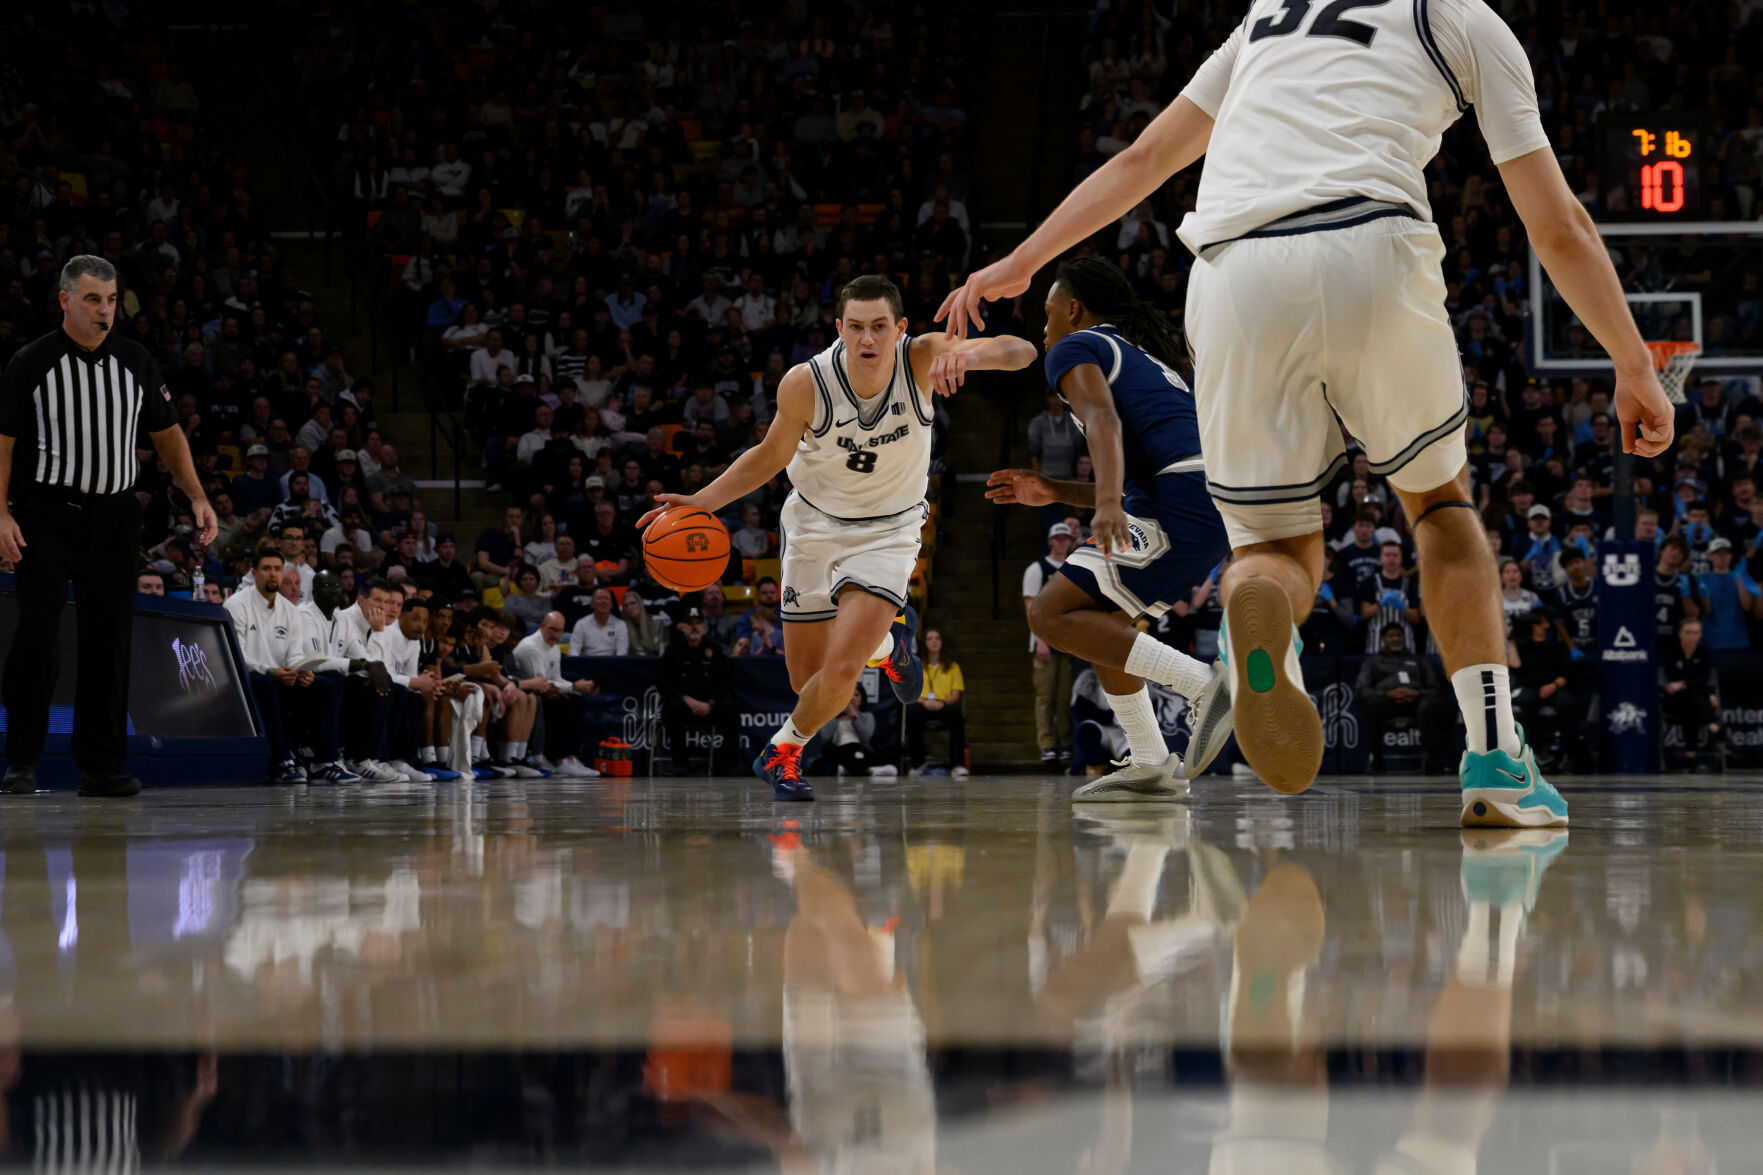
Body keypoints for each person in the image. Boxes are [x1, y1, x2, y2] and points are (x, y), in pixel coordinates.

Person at [938, 0, 1674, 823]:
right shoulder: (1459, 17)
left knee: (1273, 544)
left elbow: (1143, 156)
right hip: (1370, 246)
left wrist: (1025, 258)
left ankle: (1268, 642)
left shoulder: (1264, 20)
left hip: (1232, 272)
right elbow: (1557, 223)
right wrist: (1633, 361)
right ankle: (1497, 761)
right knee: (1438, 506)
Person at [641, 275, 1035, 800]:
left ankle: (781, 751)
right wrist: (702, 500)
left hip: (888, 532)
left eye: (878, 327)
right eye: (855, 327)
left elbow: (1022, 352)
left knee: (842, 670)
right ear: (839, 328)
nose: (867, 340)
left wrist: (963, 357)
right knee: (810, 682)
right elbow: (768, 456)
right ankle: (889, 644)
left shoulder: (919, 358)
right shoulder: (806, 383)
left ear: (899, 329)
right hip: (813, 526)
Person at [986, 259, 1233, 799]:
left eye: (1048, 311)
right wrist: (1055, 490)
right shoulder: (1136, 353)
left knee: (1050, 614)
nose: (1043, 325)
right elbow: (1137, 456)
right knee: (1099, 621)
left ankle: (1203, 685)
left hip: (1181, 500)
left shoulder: (1072, 348)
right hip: (1196, 497)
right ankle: (1149, 759)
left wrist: (1102, 504)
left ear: (1072, 309)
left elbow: (1103, 422)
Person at [0, 256, 219, 797]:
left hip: (116, 515)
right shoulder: (31, 362)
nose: (105, 310)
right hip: (45, 513)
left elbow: (168, 433)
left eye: (112, 299)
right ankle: (21, 761)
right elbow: (1, 444)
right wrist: (0, 513)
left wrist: (197, 495)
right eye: (94, 299)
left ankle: (100, 767)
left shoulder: (136, 360)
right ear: (65, 301)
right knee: (38, 633)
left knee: (110, 640)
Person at [224, 543, 359, 784]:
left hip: (282, 678)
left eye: (277, 568)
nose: (273, 573)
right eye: (266, 568)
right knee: (265, 684)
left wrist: (302, 672)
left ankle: (324, 762)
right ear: (254, 573)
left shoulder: (290, 610)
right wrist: (271, 670)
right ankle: (281, 762)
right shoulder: (236, 605)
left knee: (327, 684)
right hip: (248, 681)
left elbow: (295, 656)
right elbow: (237, 656)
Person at [367, 592, 454, 781]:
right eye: (415, 619)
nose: (420, 626)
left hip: (395, 688)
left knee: (414, 697)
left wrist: (428, 683)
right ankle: (383, 758)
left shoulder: (415, 642)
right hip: (372, 684)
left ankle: (403, 760)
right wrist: (417, 683)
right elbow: (384, 674)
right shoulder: (388, 633)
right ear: (401, 615)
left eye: (424, 621)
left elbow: (411, 677)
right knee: (399, 693)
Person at [508, 611, 600, 777]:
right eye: (552, 630)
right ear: (542, 626)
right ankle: (559, 759)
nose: (556, 635)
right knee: (564, 702)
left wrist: (577, 688)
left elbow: (555, 678)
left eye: (559, 631)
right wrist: (573, 686)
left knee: (576, 699)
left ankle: (571, 757)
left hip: (542, 693)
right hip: (530, 693)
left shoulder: (554, 648)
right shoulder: (531, 647)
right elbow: (542, 684)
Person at [1356, 623, 1453, 774]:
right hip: (1387, 701)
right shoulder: (1373, 661)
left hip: (1416, 701)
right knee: (1372, 706)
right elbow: (1362, 688)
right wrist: (1387, 694)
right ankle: (1377, 760)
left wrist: (1417, 693)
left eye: (1399, 635)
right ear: (1383, 639)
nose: (1396, 639)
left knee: (1433, 706)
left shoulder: (1418, 660)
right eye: (1391, 636)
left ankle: (1434, 761)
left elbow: (1434, 687)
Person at [657, 607, 741, 774]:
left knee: (731, 710)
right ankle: (680, 763)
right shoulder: (673, 650)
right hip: (684, 704)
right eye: (690, 623)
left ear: (704, 626)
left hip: (709, 705)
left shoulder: (714, 649)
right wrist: (688, 700)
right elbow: (665, 684)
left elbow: (724, 683)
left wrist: (711, 703)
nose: (695, 627)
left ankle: (727, 765)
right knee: (673, 709)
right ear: (683, 626)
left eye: (698, 623)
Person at [1019, 523, 1076, 766]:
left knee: (1065, 696)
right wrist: (1040, 639)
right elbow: (1031, 608)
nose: (1062, 542)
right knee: (1045, 696)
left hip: (1069, 640)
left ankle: (1064, 743)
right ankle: (1047, 744)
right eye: (1058, 538)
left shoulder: (1075, 568)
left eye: (1066, 538)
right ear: (1050, 541)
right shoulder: (1036, 569)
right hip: (1046, 640)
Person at [1509, 609, 1583, 771]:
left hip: (1552, 685)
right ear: (1532, 626)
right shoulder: (1523, 647)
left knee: (1569, 704)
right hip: (1529, 687)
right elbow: (1516, 667)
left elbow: (1566, 673)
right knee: (1527, 703)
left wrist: (1553, 686)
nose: (1544, 626)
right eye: (1539, 623)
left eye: (1544, 623)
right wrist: (1512, 642)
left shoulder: (1556, 646)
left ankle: (1570, 751)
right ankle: (1533, 751)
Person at [1662, 617, 1722, 773]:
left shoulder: (1704, 654)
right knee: (1688, 695)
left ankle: (1690, 758)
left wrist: (1684, 684)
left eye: (1696, 633)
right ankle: (1713, 725)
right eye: (1688, 632)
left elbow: (1704, 679)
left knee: (1691, 709)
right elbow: (1671, 681)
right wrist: (1698, 689)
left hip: (1695, 701)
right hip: (1674, 701)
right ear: (1680, 634)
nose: (1692, 636)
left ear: (1700, 635)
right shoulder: (1671, 653)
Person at [906, 627, 968, 778]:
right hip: (923, 704)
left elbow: (955, 695)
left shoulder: (953, 667)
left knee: (957, 715)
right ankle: (918, 763)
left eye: (937, 638)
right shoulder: (917, 665)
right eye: (929, 638)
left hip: (943, 704)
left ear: (942, 643)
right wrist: (925, 702)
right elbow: (911, 693)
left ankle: (957, 765)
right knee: (912, 713)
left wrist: (942, 703)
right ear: (924, 643)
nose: (934, 642)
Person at [817, 688, 897, 778]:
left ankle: (847, 769)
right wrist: (837, 712)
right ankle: (870, 770)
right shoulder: (835, 719)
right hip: (840, 751)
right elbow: (825, 736)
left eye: (856, 695)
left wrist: (854, 717)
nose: (852, 698)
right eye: (849, 694)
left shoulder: (867, 716)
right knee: (826, 748)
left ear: (861, 701)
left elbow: (866, 737)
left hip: (859, 749)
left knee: (889, 751)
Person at [1695, 538, 1756, 651]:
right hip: (1710, 642)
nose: (1722, 557)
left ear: (1731, 556)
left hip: (1738, 641)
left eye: (1726, 553)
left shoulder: (1743, 577)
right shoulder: (1701, 580)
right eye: (1718, 554)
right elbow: (1705, 610)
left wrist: (1740, 581)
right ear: (1710, 557)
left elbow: (1747, 606)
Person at [569, 586, 629, 655]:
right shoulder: (581, 624)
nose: (603, 601)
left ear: (611, 605)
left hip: (612, 664)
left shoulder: (621, 625)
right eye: (599, 598)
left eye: (606, 598)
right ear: (592, 604)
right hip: (587, 664)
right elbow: (573, 651)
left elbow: (622, 653)